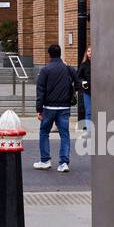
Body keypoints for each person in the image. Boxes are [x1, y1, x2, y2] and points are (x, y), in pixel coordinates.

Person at [34, 44, 78, 173]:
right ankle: (64, 162)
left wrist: (39, 109)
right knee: (64, 134)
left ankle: (45, 160)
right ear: (60, 54)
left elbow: (40, 90)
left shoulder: (45, 70)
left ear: (49, 54)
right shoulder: (68, 68)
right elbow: (78, 83)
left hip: (49, 107)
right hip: (64, 106)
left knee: (44, 132)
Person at [79, 45, 92, 132]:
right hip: (87, 91)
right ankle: (89, 129)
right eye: (88, 51)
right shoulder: (84, 65)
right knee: (88, 111)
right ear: (86, 53)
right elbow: (78, 76)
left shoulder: (100, 63)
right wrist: (83, 81)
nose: (90, 53)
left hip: (99, 92)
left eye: (91, 51)